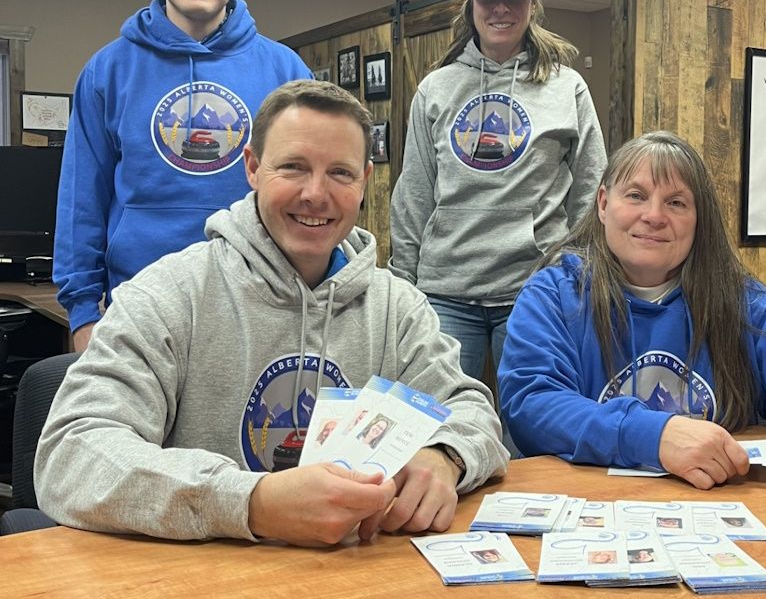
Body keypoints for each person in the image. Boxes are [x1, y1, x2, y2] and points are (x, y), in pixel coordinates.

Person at [36, 80, 508, 546]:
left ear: (364, 181)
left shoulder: (396, 307)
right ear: (253, 168)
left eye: (340, 173)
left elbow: (470, 409)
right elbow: (70, 454)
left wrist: (445, 455)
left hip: (352, 569)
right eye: (293, 167)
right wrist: (251, 502)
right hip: (204, 573)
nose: (316, 194)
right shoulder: (167, 295)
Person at [498, 131, 766, 490]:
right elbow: (531, 405)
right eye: (635, 195)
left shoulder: (740, 302)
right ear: (603, 204)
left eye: (676, 202)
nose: (654, 216)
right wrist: (655, 436)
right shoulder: (553, 295)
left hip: (717, 514)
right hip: (592, 512)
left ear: (698, 220)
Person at [54, 0, 311, 352]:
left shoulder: (284, 70)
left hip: (261, 302)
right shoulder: (108, 71)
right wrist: (82, 314)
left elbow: (309, 187)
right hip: (141, 302)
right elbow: (81, 200)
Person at [389, 0, 607, 385]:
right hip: (445, 291)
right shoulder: (436, 88)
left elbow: (592, 190)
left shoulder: (567, 87)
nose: (501, 8)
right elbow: (414, 192)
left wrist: (578, 273)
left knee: (531, 419)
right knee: (438, 415)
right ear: (471, 6)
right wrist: (402, 285)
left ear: (532, 5)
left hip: (534, 288)